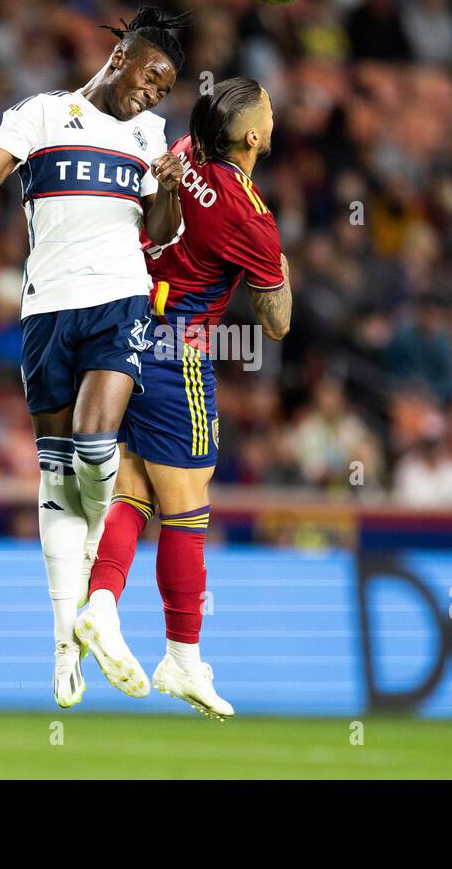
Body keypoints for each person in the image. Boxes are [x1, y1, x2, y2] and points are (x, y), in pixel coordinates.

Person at [0, 6, 190, 709]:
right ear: (123, 54)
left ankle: (102, 602)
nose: (154, 93)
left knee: (98, 447)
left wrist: (164, 185)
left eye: (166, 88)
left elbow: (158, 235)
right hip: (46, 310)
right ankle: (68, 643)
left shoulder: (150, 134)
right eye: (151, 74)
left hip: (122, 299)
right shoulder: (39, 114)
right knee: (56, 478)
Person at [73, 78, 292, 720]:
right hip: (178, 351)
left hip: (129, 329)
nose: (274, 117)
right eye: (269, 113)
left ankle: (101, 607)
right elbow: (276, 322)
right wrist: (275, 259)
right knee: (189, 505)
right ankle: (183, 657)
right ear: (253, 136)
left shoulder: (185, 151)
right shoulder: (251, 216)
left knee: (135, 488)